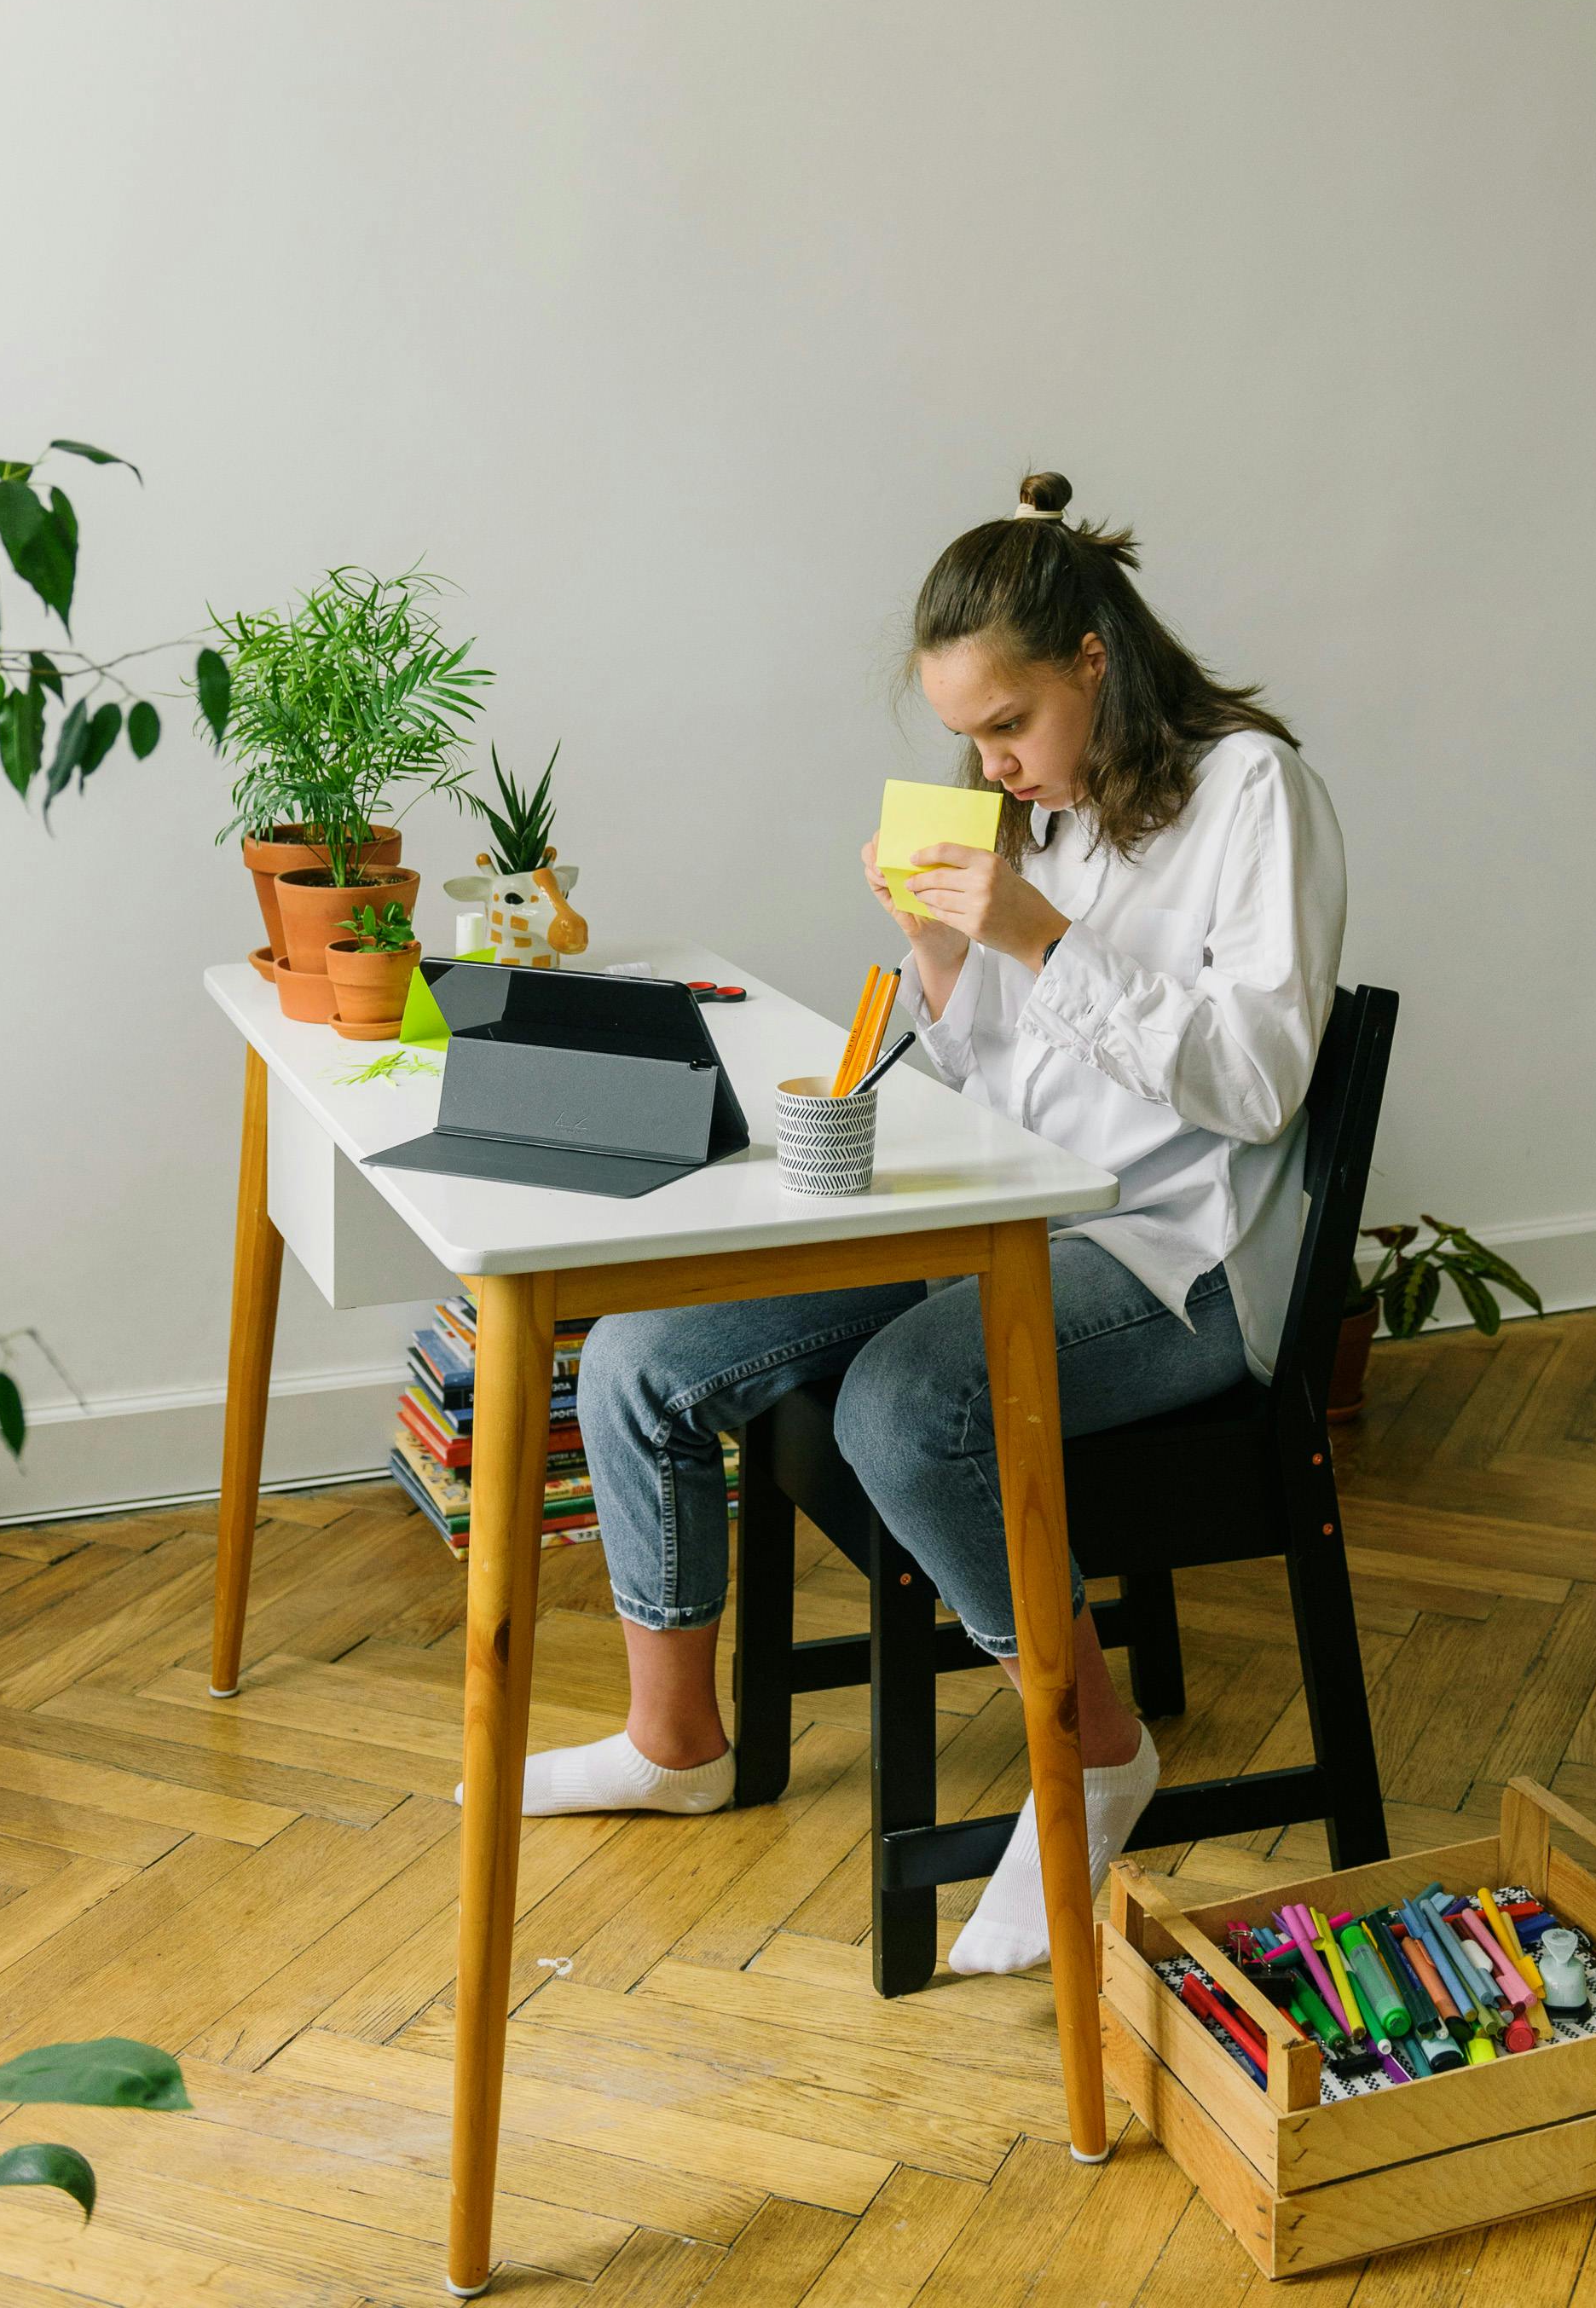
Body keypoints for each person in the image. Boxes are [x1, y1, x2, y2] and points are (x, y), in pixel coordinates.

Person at [495, 470, 1347, 1978]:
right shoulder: (1050, 820)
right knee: (638, 1355)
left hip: (1176, 1261)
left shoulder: (1251, 793)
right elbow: (995, 1081)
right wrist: (943, 957)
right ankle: (672, 1738)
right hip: (1019, 1216)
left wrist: (1033, 932)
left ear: (1093, 661)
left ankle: (1092, 1754)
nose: (990, 760)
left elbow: (1259, 1084)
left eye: (1007, 724)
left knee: (904, 1412)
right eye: (967, 735)